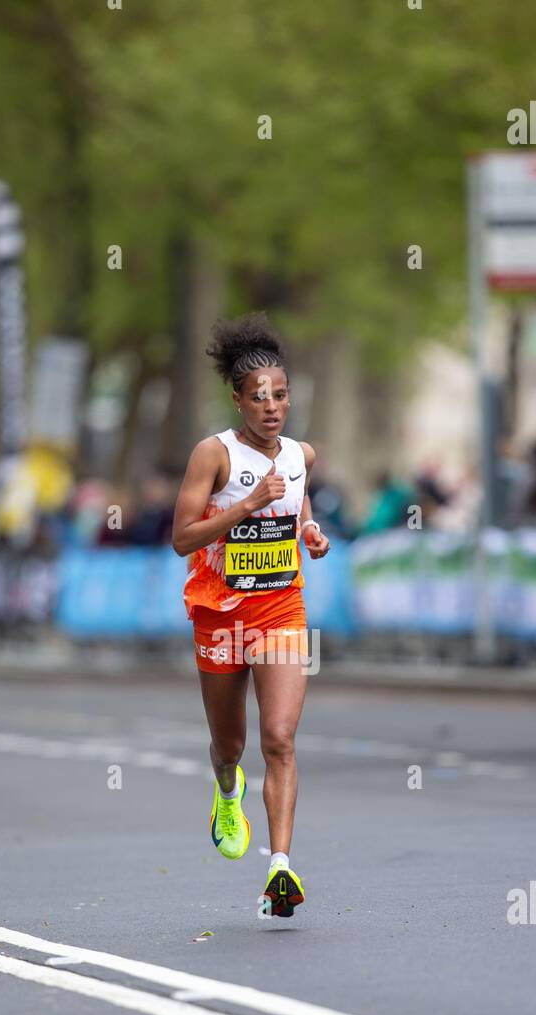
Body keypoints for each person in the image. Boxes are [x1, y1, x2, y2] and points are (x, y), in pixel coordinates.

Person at [172, 313, 330, 918]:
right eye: (258, 397)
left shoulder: (300, 455)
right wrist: (245, 505)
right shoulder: (213, 455)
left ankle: (280, 869)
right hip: (219, 614)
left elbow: (298, 499)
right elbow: (183, 539)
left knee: (280, 738)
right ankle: (225, 791)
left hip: (282, 609)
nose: (271, 407)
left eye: (281, 395)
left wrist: (310, 530)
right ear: (237, 400)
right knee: (230, 743)